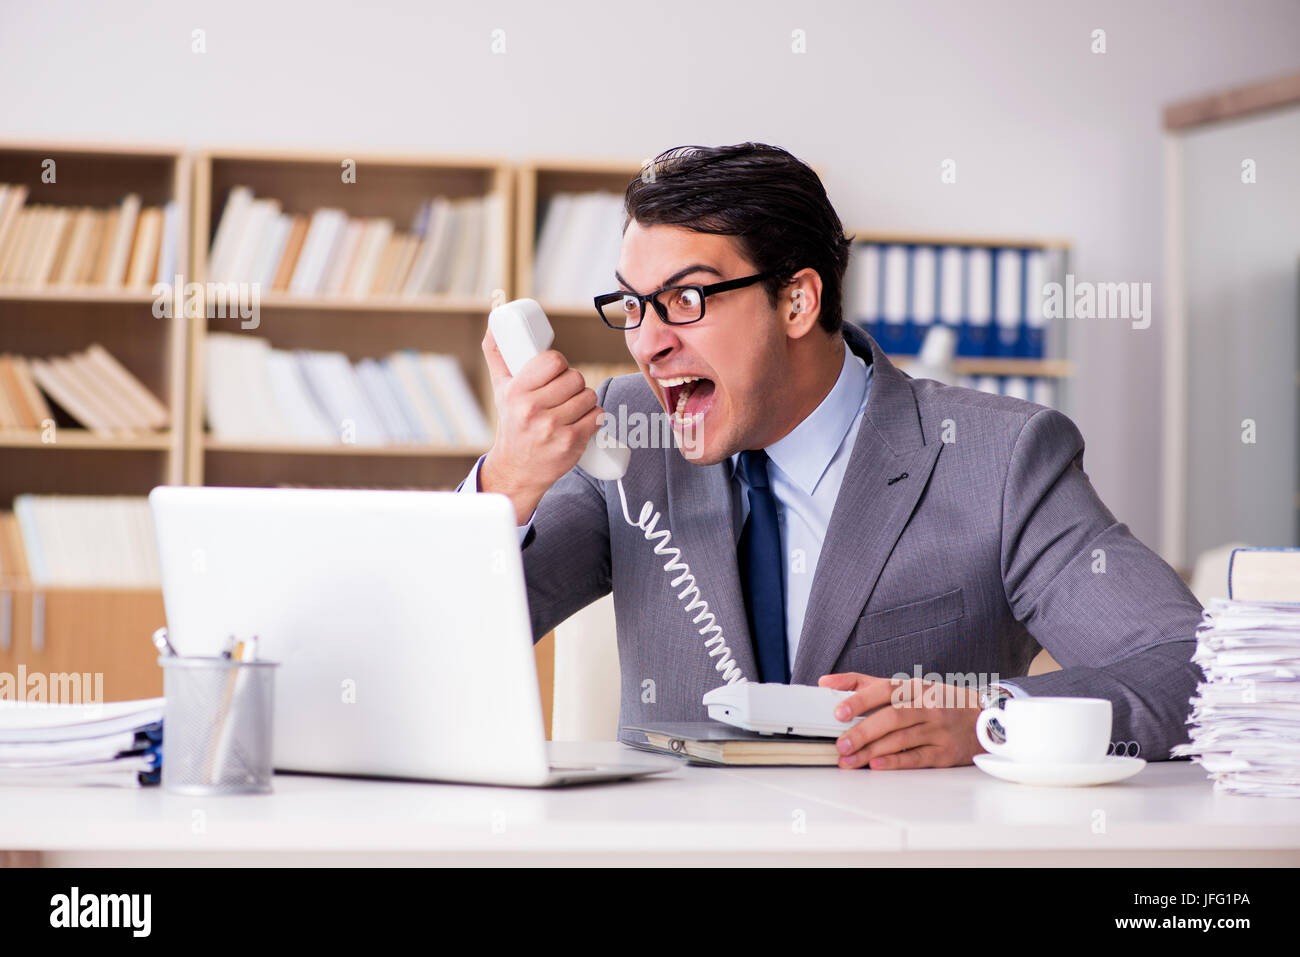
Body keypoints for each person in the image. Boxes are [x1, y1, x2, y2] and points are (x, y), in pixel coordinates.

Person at [462, 142, 1204, 769]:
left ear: (798, 301)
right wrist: (509, 480)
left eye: (686, 300)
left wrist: (992, 718)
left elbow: (1190, 671)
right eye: (633, 304)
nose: (649, 342)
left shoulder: (1000, 458)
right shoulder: (625, 435)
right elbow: (444, 642)